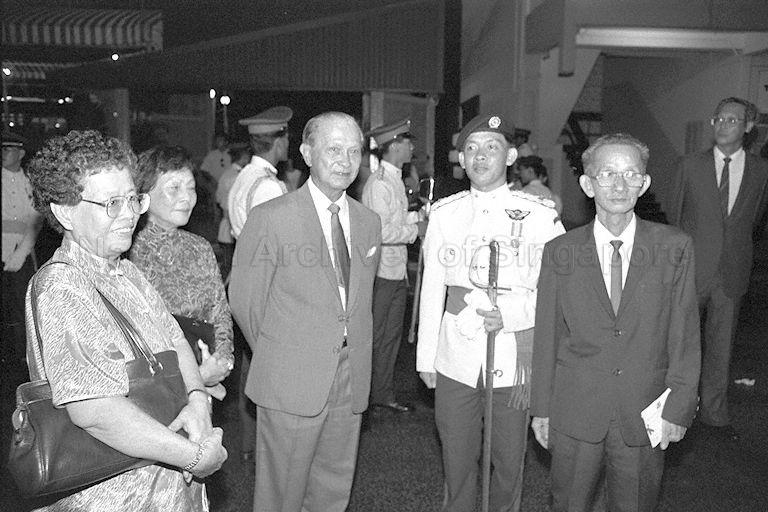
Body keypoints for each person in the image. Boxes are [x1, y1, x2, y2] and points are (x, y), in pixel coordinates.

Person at [23, 130, 227, 511]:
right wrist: (194, 457)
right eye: (112, 203)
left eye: (134, 198)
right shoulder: (62, 286)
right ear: (65, 212)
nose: (131, 214)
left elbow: (175, 342)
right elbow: (96, 412)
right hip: (114, 495)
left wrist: (198, 403)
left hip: (166, 487)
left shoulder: (126, 271)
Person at [531, 133, 701, 512]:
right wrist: (541, 407)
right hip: (575, 408)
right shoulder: (560, 251)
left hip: (644, 408)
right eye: (607, 173)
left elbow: (684, 335)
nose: (619, 184)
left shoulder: (674, 247)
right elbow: (548, 334)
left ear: (645, 183)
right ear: (587, 184)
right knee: (568, 503)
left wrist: (679, 406)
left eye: (630, 174)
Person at [229, 112, 381, 512]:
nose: (345, 160)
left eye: (354, 151)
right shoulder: (272, 217)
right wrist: (285, 354)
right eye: (333, 149)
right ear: (306, 152)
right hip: (291, 377)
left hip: (351, 375)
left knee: (333, 490)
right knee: (282, 496)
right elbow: (246, 301)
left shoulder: (368, 222)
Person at [417, 113, 564, 512]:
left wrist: (513, 314)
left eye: (492, 147)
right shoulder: (446, 213)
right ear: (461, 160)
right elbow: (432, 288)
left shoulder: (539, 214)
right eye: (472, 149)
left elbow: (557, 289)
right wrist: (426, 357)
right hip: (455, 355)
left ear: (511, 156)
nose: (481, 157)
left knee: (508, 462)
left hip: (514, 354)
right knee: (457, 460)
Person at [667, 97, 768, 441]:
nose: (723, 125)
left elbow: (753, 219)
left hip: (733, 269)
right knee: (681, 344)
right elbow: (675, 218)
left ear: (748, 128)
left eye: (732, 119)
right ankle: (677, 406)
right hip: (693, 267)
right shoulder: (689, 165)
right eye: (718, 119)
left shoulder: (760, 171)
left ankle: (714, 411)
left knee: (722, 346)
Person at [129, 145, 235, 401]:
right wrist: (196, 375)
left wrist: (222, 361)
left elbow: (220, 311)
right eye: (174, 188)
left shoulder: (199, 248)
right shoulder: (127, 252)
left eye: (190, 188)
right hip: (153, 392)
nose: (186, 198)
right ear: (144, 196)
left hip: (205, 385)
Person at [363, 119, 424, 413]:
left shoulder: (395, 179)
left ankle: (382, 393)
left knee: (391, 338)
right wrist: (416, 231)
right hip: (382, 272)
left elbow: (395, 222)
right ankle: (366, 393)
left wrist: (418, 219)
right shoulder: (380, 184)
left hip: (396, 271)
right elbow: (382, 232)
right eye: (407, 142)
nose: (412, 147)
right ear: (395, 146)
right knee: (377, 337)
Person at [2, 132, 42, 367]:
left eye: (8, 149)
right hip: (5, 248)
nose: (4, 154)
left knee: (21, 306)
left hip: (22, 251)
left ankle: (21, 359)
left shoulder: (28, 182)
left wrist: (23, 250)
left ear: (21, 153)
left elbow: (35, 218)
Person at [228, 106, 292, 239]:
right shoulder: (269, 186)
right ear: (279, 143)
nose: (288, 144)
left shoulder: (244, 175)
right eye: (287, 139)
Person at [215, 143, 251, 278]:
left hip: (227, 225)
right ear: (243, 157)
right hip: (232, 225)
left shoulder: (227, 174)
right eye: (247, 156)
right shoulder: (236, 176)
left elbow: (218, 198)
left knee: (229, 264)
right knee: (230, 265)